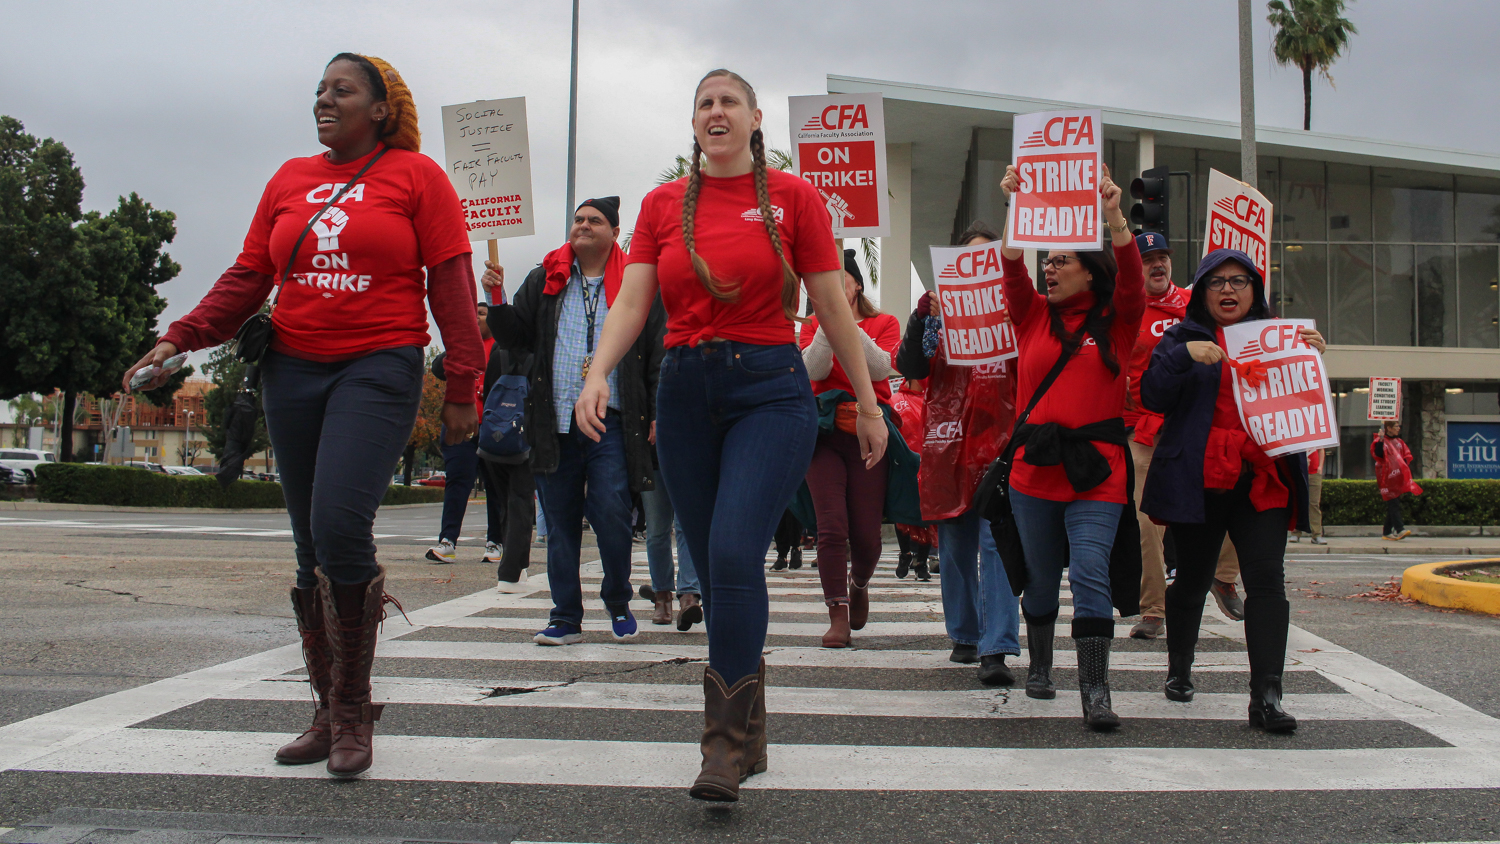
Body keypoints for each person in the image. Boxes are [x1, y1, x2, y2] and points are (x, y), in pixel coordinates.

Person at [124, 54, 483, 777]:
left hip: (378, 365)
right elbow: (248, 276)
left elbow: (451, 285)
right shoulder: (290, 179)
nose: (324, 100)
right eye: (320, 91)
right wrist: (177, 339)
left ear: (380, 109)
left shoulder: (419, 178)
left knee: (339, 526)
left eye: (341, 91)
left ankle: (353, 710)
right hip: (291, 367)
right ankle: (326, 710)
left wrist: (463, 390)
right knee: (308, 547)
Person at [574, 68, 887, 802]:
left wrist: (869, 402)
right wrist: (597, 374)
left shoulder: (794, 198)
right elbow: (631, 302)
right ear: (694, 125)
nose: (716, 113)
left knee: (733, 550)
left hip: (770, 391)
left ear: (753, 121)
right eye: (704, 104)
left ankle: (720, 746)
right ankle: (751, 733)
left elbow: (833, 310)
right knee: (714, 574)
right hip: (684, 392)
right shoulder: (659, 205)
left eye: (729, 103)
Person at [1140, 247, 1320, 733]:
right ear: (1200, 291)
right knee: (1194, 578)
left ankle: (1267, 694)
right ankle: (1179, 668)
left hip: (1263, 478)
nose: (1228, 290)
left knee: (1266, 581)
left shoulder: (1281, 337)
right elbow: (1150, 394)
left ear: (1255, 290)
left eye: (1239, 281)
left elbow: (1303, 402)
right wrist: (1182, 357)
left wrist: (1310, 359)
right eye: (1216, 282)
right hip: (1198, 480)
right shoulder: (1181, 336)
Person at [996, 163, 1143, 730]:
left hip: (1097, 474)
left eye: (1061, 261)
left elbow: (1131, 277)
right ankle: (1039, 665)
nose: (1049, 269)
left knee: (1089, 572)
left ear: (1089, 271)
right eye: (1047, 261)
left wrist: (1112, 212)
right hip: (1034, 473)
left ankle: (1096, 691)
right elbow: (1010, 268)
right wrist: (1014, 206)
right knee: (1038, 577)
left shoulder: (1118, 321)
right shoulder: (1031, 314)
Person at [482, 196, 667, 645]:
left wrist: (658, 410)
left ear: (614, 233)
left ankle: (617, 597)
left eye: (594, 220)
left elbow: (659, 351)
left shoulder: (637, 282)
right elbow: (516, 340)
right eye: (578, 219)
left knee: (612, 514)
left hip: (613, 419)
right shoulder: (546, 278)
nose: (583, 225)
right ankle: (565, 616)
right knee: (560, 522)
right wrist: (496, 298)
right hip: (555, 420)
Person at [894, 220, 1021, 685]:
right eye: (970, 256)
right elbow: (907, 366)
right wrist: (920, 318)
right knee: (954, 545)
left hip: (1000, 441)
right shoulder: (936, 315)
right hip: (948, 440)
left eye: (988, 256)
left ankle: (998, 646)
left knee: (997, 542)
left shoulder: (1017, 310)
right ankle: (965, 634)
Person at [799, 248, 901, 648]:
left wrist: (842, 319)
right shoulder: (810, 324)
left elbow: (881, 368)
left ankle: (859, 582)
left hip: (869, 431)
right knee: (831, 527)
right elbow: (812, 369)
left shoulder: (885, 322)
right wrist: (828, 320)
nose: (828, 284)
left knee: (866, 534)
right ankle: (836, 611)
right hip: (822, 434)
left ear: (857, 283)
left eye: (839, 277)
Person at [1123, 232, 1187, 640]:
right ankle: (1153, 610)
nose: (1157, 264)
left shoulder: (1195, 303)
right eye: (1148, 259)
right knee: (1147, 521)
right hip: (1141, 427)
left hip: (1189, 425)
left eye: (1162, 256)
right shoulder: (1125, 309)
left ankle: (1225, 578)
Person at [426, 303, 508, 566]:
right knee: (457, 483)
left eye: (481, 315)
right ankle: (447, 541)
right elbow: (438, 369)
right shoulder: (461, 346)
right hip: (462, 428)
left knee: (495, 487)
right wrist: (457, 344)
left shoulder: (502, 346)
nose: (476, 319)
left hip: (493, 427)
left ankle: (495, 541)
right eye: (472, 314)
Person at [639, 449, 703, 629]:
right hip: (652, 458)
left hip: (688, 457)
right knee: (656, 531)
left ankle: (689, 596)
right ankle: (662, 595)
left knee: (688, 528)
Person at [890, 377, 934, 582]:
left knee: (926, 516)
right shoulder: (895, 400)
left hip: (929, 467)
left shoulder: (933, 400)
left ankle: (922, 561)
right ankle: (905, 553)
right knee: (903, 514)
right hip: (904, 466)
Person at [1373, 421, 1420, 540]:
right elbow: (1378, 454)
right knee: (1393, 503)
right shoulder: (1382, 441)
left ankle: (1387, 532)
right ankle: (1399, 529)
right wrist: (1381, 439)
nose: (1398, 428)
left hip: (1397, 477)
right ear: (1389, 428)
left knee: (1394, 503)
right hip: (1387, 478)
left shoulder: (1399, 442)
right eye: (1396, 426)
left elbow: (1405, 457)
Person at [1289, 448, 1328, 544]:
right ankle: (1295, 532)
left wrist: (1320, 467)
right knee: (1298, 502)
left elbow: (1321, 449)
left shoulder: (1315, 434)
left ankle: (1317, 534)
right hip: (1299, 471)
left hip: (1314, 473)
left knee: (1314, 504)